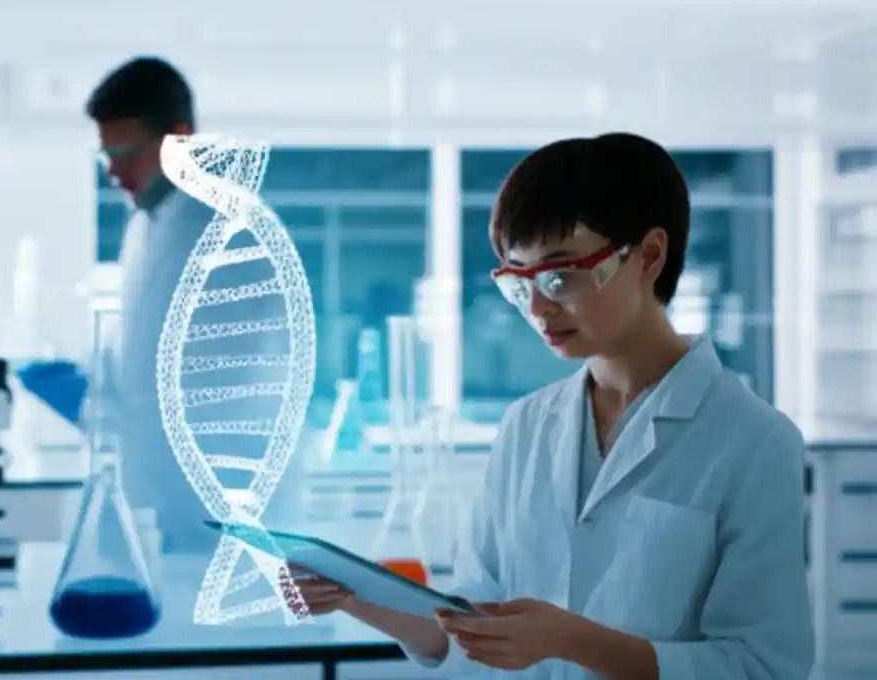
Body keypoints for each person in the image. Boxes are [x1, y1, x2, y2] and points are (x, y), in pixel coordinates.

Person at [291, 133, 813, 679]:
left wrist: (575, 642)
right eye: (520, 281)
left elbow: (763, 666)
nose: (538, 307)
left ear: (649, 256)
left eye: (559, 276)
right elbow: (476, 624)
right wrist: (354, 597)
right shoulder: (527, 426)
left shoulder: (753, 440)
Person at [21, 56, 306, 553]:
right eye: (104, 155)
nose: (113, 171)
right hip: (157, 510)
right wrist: (90, 383)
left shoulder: (234, 233)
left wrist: (102, 402)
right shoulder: (145, 227)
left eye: (125, 152)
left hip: (224, 517)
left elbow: (211, 391)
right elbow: (136, 357)